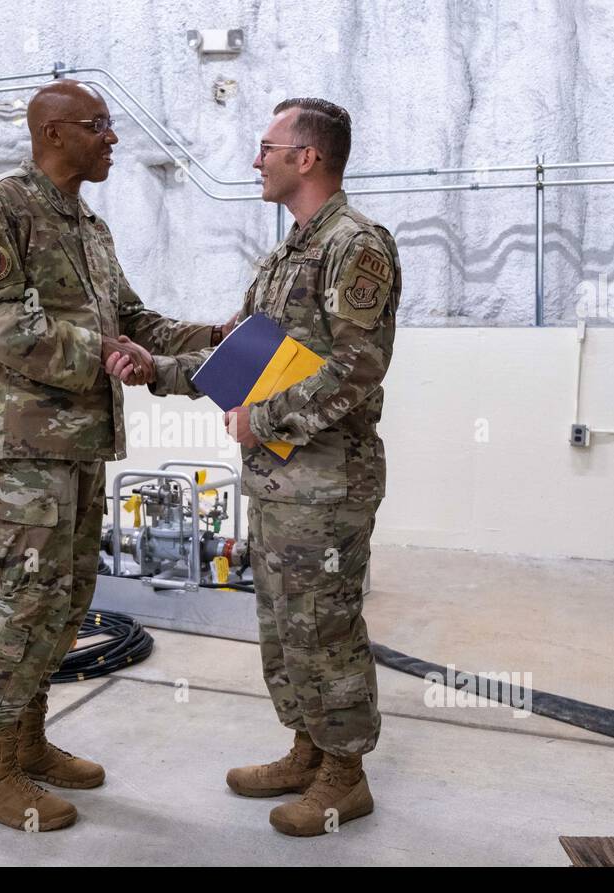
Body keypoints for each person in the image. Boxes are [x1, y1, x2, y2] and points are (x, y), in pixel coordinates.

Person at [113, 98, 400, 836]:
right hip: (277, 479)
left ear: (307, 157)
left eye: (267, 146)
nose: (256, 159)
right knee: (283, 623)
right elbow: (239, 361)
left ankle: (346, 774)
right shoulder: (285, 255)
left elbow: (358, 368)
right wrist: (155, 369)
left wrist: (262, 418)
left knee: (327, 626)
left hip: (328, 482)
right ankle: (307, 747)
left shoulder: (356, 245)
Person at [0, 79, 226, 831]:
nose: (113, 140)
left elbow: (132, 319)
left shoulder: (89, 227)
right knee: (25, 607)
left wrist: (213, 336)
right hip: (26, 452)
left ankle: (30, 743)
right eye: (99, 127)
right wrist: (103, 352)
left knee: (66, 604)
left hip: (80, 452)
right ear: (54, 133)